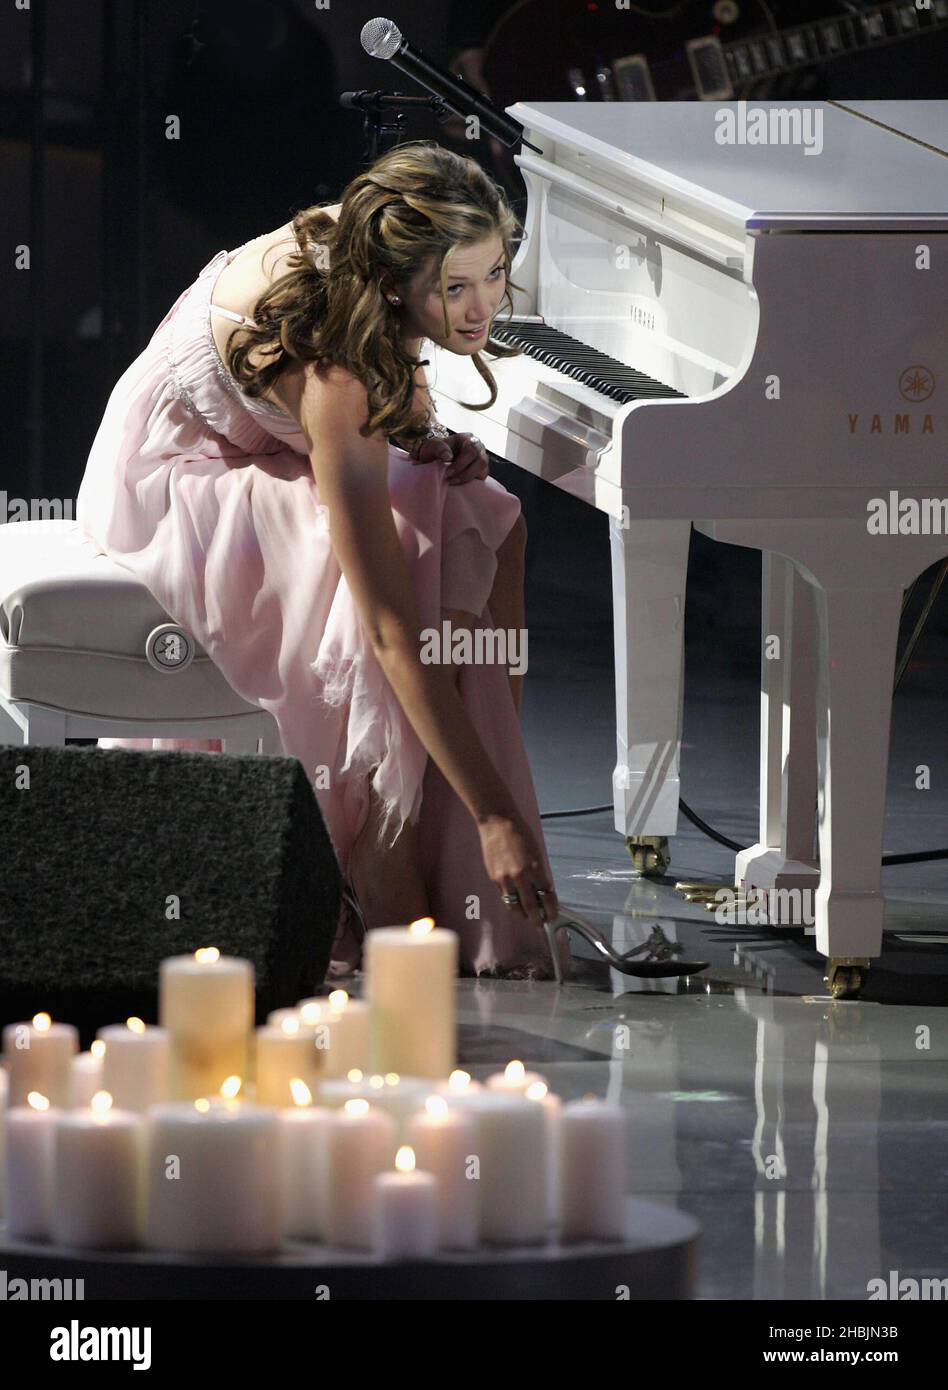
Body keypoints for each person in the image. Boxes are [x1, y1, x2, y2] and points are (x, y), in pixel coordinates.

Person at [76, 140, 571, 982]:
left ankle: (429, 819)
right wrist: (500, 819)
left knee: (491, 516)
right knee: (414, 555)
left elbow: (392, 390)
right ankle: (383, 848)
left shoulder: (386, 237)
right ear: (396, 283)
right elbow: (386, 629)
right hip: (180, 475)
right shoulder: (339, 369)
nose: (483, 307)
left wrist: (424, 432)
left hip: (279, 437)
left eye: (495, 274)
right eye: (455, 289)